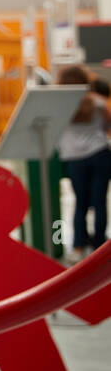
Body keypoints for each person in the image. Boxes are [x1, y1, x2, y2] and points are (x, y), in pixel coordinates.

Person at [55, 66, 111, 261]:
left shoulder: (59, 107)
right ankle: (100, 247)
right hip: (99, 155)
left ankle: (78, 247)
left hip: (75, 160)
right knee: (100, 202)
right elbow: (108, 127)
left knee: (81, 203)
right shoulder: (98, 103)